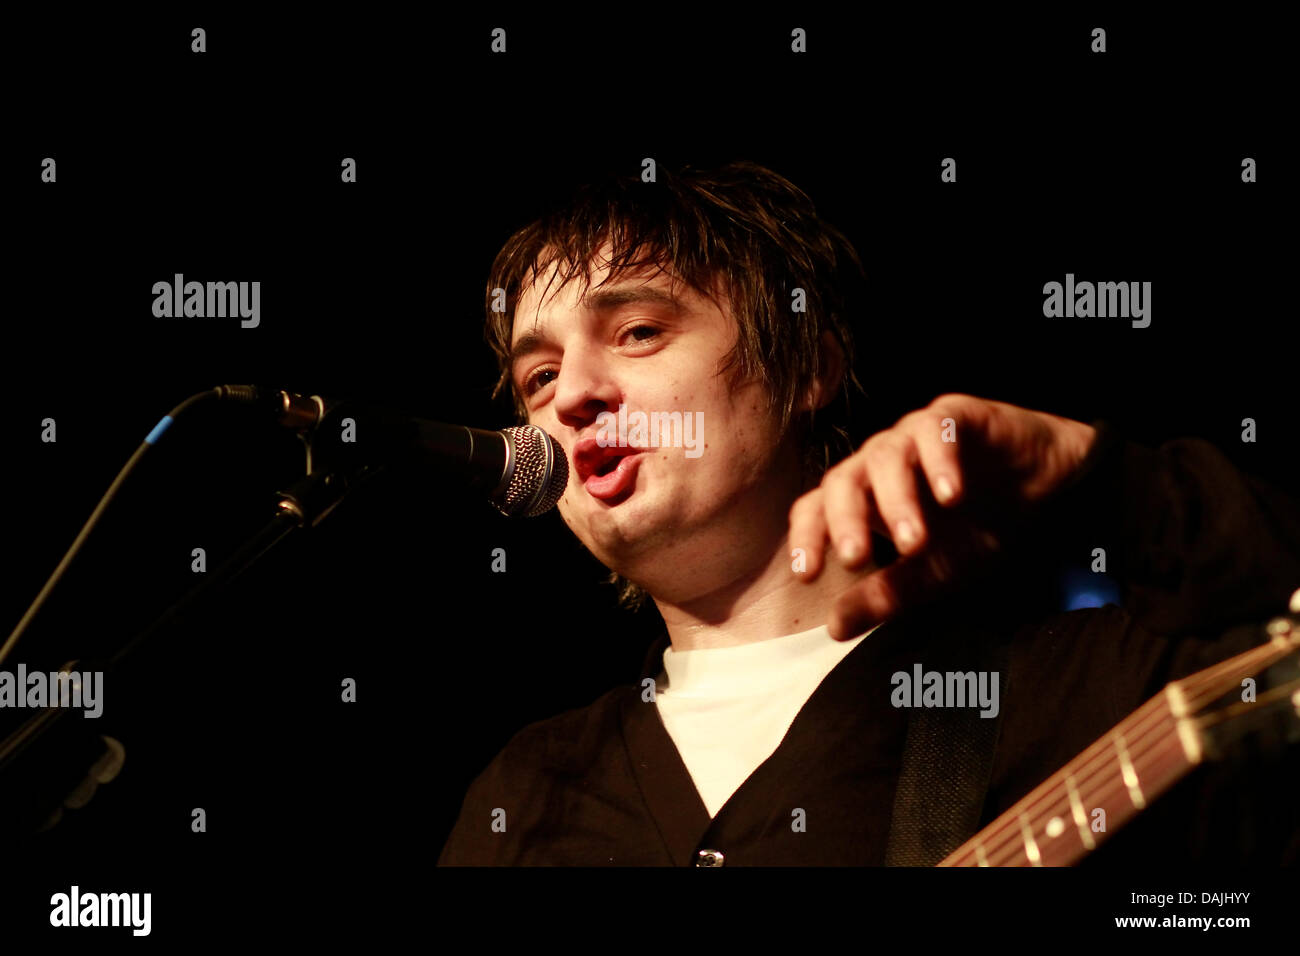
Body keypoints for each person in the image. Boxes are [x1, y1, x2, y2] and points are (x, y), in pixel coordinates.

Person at [438, 161, 1300, 866]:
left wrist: (1102, 480)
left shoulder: (1076, 691)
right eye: (539, 377)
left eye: (637, 332)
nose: (576, 396)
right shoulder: (527, 797)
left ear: (807, 368)